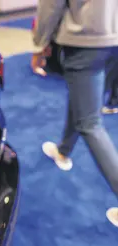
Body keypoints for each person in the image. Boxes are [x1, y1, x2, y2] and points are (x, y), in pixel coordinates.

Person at [31, 0, 118, 226]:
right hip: (113, 36)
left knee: (90, 123)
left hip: (86, 40)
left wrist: (40, 43)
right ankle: (63, 150)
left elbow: (51, 5)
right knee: (83, 100)